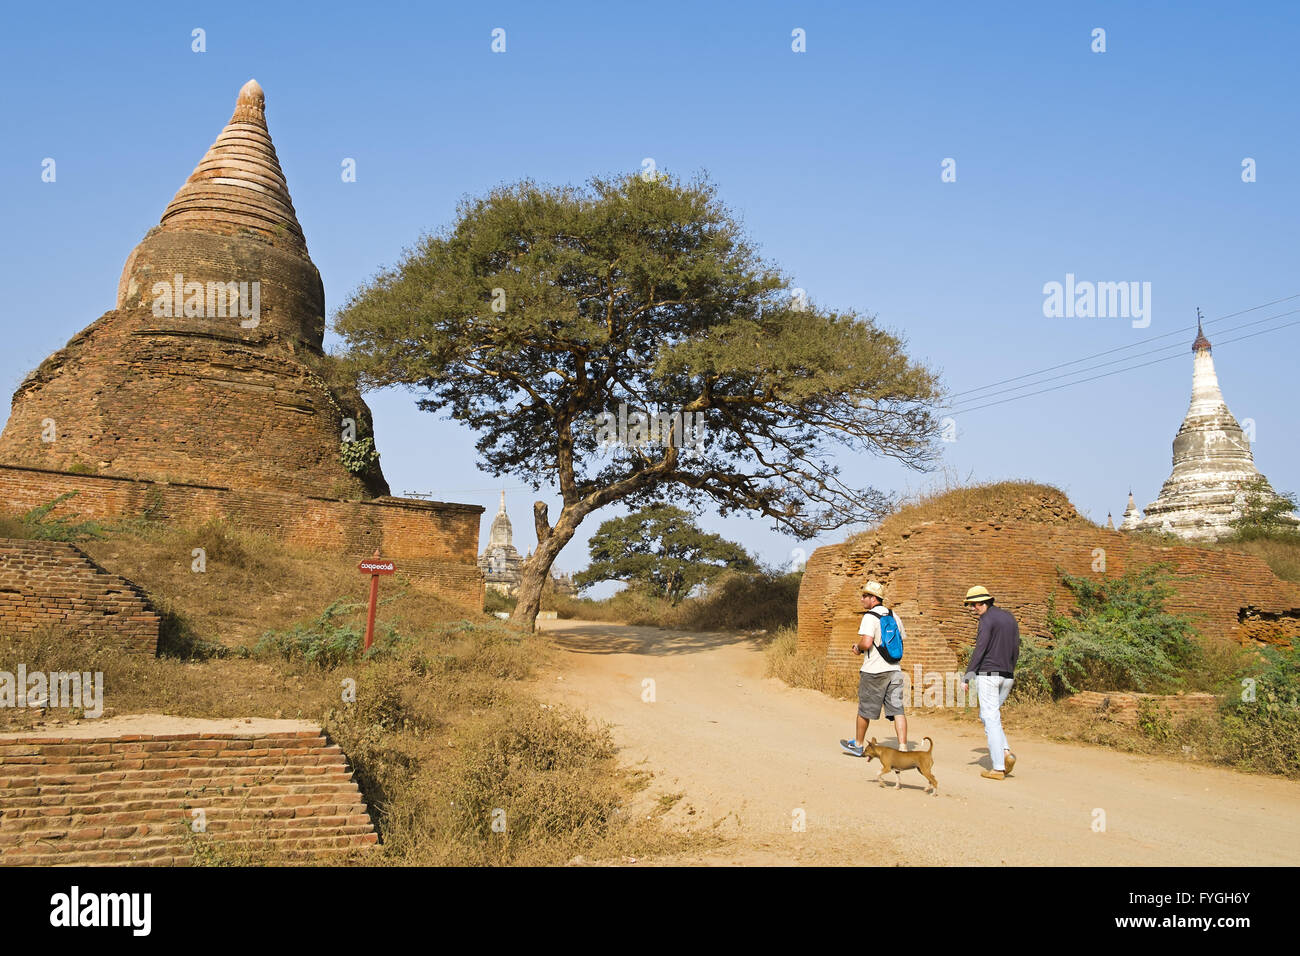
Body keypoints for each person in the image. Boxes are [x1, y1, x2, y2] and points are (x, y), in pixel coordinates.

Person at [840, 580, 909, 756]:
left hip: (874, 671)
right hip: (895, 670)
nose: (862, 599)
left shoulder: (870, 617)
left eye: (865, 596)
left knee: (865, 709)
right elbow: (901, 640)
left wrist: (858, 647)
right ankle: (902, 747)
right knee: (897, 710)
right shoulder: (894, 616)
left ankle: (858, 744)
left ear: (873, 598)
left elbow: (867, 642)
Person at [961, 585, 1019, 780]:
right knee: (990, 715)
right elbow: (1015, 647)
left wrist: (968, 674)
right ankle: (1005, 752)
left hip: (989, 674)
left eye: (973, 605)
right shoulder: (1009, 617)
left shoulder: (986, 619)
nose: (972, 609)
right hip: (1007, 674)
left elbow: (981, 647)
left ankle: (998, 768)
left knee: (990, 718)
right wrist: (1011, 670)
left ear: (982, 602)